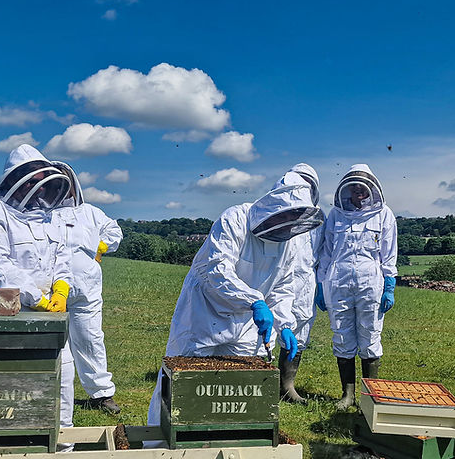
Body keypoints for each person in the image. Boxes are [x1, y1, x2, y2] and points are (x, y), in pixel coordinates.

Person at [147, 166, 325, 428]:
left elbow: (283, 287)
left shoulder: (290, 242)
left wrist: (285, 324)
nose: (285, 224)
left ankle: (223, 446)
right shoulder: (235, 218)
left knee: (239, 385)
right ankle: (158, 445)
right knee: (180, 378)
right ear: (272, 205)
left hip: (247, 323)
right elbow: (217, 270)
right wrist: (254, 300)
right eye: (284, 215)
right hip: (203, 313)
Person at [0, 144, 73, 449]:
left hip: (49, 312)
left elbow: (61, 257)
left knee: (62, 371)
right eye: (29, 179)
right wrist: (34, 295)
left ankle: (63, 444)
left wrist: (62, 288)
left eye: (39, 179)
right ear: (15, 179)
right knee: (9, 378)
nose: (34, 186)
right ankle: (8, 444)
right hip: (3, 308)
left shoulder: (47, 216)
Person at [316, 164, 398, 410]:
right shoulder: (335, 215)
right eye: (354, 188)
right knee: (342, 334)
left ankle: (370, 396)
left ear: (371, 189)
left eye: (362, 188)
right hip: (337, 281)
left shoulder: (384, 215)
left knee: (370, 334)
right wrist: (322, 284)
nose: (358, 192)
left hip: (370, 283)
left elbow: (389, 253)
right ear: (347, 190)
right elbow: (327, 252)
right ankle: (347, 395)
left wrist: (390, 284)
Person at [50, 161, 124, 417]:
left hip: (87, 290)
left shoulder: (91, 213)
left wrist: (103, 245)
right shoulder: (40, 214)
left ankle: (101, 393)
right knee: (51, 342)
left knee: (90, 339)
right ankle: (46, 391)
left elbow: (115, 231)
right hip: (50, 291)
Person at [277, 163, 323, 403]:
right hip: (276, 279)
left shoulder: (316, 220)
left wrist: (322, 285)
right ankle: (254, 382)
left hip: (305, 283)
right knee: (261, 333)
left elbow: (320, 254)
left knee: (299, 332)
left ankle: (287, 386)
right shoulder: (275, 213)